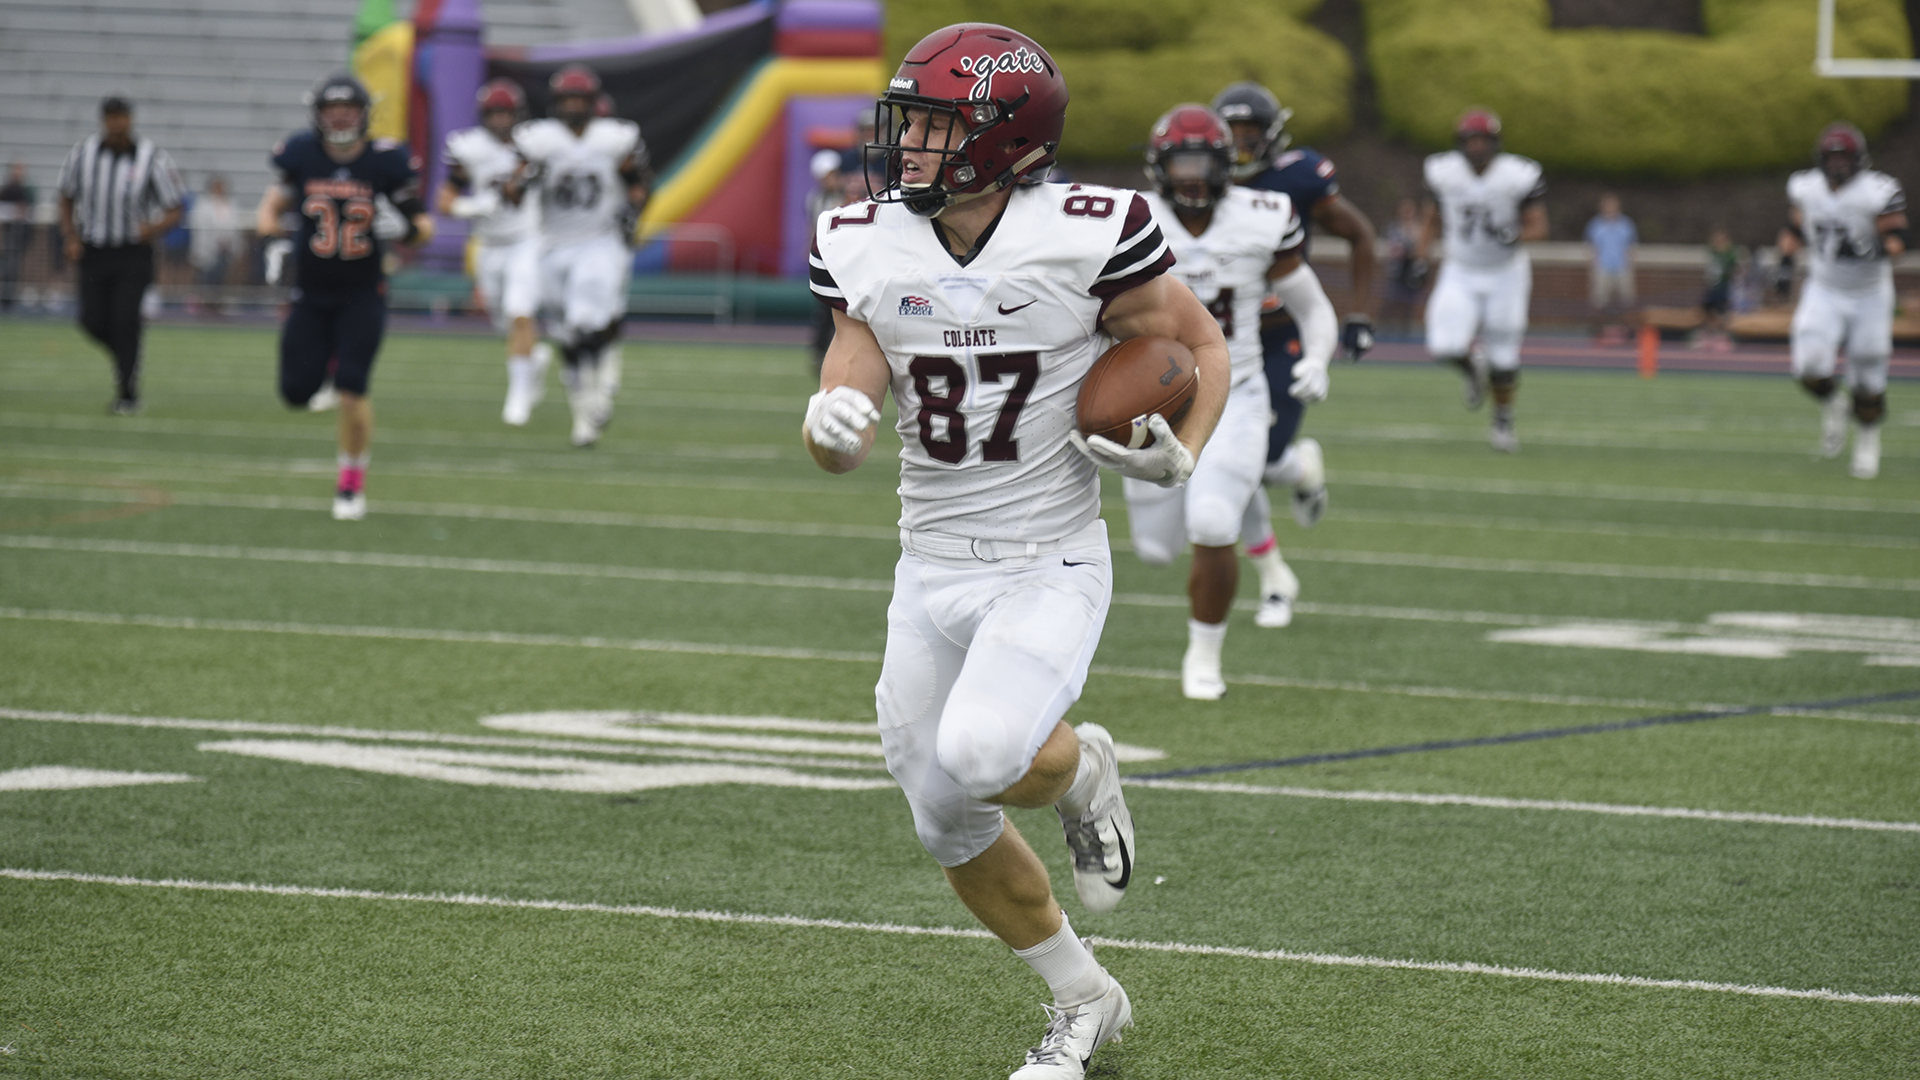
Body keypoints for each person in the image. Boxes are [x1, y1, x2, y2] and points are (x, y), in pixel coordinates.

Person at [804, 24, 1229, 1079]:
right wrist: (834, 419)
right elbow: (856, 358)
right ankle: (1083, 999)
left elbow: (1199, 344)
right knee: (944, 816)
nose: (905, 146)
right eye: (905, 123)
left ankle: (1081, 766)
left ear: (1005, 141)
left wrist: (1188, 450)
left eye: (934, 127)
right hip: (929, 563)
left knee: (988, 754)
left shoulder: (1091, 232)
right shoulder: (864, 239)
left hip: (1047, 556)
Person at [1124, 104, 1336, 699]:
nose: (1192, 179)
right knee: (1156, 549)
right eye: (1180, 165)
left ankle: (1204, 656)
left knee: (1213, 518)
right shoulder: (1128, 219)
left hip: (1234, 390)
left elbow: (1313, 306)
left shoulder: (1263, 216)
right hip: (1150, 398)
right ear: (1159, 168)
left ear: (1226, 166)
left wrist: (1316, 357)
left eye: (1202, 164)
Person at [1211, 80, 1376, 627]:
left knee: (1254, 463)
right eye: (1229, 133)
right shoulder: (1195, 183)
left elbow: (1360, 234)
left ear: (1271, 136)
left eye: (1248, 133)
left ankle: (1300, 467)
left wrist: (1357, 314)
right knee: (1228, 466)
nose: (1238, 144)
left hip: (1281, 337)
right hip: (1219, 339)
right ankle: (1275, 575)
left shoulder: (1297, 178)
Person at [256, 73, 433, 521]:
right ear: (317, 114)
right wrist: (274, 236)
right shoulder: (301, 154)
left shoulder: (386, 162)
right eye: (331, 109)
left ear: (364, 114)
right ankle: (330, 365)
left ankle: (351, 482)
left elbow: (425, 227)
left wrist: (407, 229)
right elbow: (270, 208)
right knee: (295, 392)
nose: (339, 117)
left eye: (348, 109)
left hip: (362, 293)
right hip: (311, 295)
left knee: (354, 390)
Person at [511, 63, 649, 448]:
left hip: (598, 241)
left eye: (579, 99)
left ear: (592, 102)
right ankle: (584, 411)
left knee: (588, 319)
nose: (573, 106)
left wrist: (631, 212)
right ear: (557, 103)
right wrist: (525, 178)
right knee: (566, 334)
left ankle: (597, 396)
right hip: (551, 244)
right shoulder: (538, 138)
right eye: (567, 99)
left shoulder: (614, 137)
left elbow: (638, 184)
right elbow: (513, 193)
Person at [1779, 122, 1907, 480]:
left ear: (1858, 159)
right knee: (1808, 367)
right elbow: (1794, 229)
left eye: (1843, 157)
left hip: (1869, 293)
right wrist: (1784, 264)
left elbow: (1899, 240)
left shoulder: (1877, 190)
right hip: (1824, 288)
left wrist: (1876, 248)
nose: (1837, 165)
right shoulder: (1806, 188)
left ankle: (1868, 438)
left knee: (1868, 376)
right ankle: (1836, 404)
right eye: (1831, 157)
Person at [1417, 107, 1548, 452]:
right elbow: (1431, 218)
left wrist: (1514, 235)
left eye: (1483, 140)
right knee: (1443, 345)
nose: (1476, 147)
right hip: (1459, 268)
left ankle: (1503, 420)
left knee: (1504, 355)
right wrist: (1419, 256)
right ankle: (1473, 368)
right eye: (1471, 140)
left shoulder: (1518, 174)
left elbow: (1539, 226)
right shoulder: (1443, 171)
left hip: (1506, 271)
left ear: (1495, 143)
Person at [56, 97, 185, 414]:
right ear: (103, 120)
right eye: (110, 117)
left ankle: (127, 393)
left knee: (125, 320)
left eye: (121, 117)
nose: (116, 124)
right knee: (92, 320)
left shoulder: (151, 157)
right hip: (94, 250)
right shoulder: (83, 154)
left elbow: (175, 207)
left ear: (130, 119)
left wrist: (152, 228)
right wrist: (70, 236)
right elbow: (65, 197)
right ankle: (126, 359)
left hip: (132, 253)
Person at [440, 78, 551, 426]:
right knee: (504, 322)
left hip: (526, 241)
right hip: (489, 246)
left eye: (507, 113)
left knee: (521, 313)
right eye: (495, 113)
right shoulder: (469, 147)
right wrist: (473, 208)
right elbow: (444, 202)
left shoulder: (533, 144)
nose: (501, 120)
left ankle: (518, 399)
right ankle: (533, 361)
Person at [1584, 193, 1637, 341]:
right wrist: (1592, 266)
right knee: (1599, 300)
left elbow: (1630, 247)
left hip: (1621, 267)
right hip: (1603, 267)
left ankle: (1627, 329)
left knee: (1627, 299)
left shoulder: (1626, 224)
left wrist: (1630, 265)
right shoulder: (1595, 225)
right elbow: (1591, 248)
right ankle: (1598, 328)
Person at [187, 174, 241, 310]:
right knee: (207, 277)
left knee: (221, 277)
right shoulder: (203, 205)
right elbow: (199, 226)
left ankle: (217, 303)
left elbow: (234, 226)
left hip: (225, 249)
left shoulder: (230, 204)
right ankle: (204, 303)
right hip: (208, 248)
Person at [1382, 197, 1427, 336]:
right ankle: (1386, 328)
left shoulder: (1418, 228)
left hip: (1412, 270)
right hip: (1398, 269)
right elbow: (1394, 248)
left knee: (1410, 301)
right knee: (1392, 298)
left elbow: (1421, 247)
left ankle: (1404, 330)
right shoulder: (1394, 228)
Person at [1697, 227, 1743, 351]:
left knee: (1722, 313)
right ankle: (1710, 335)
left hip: (1723, 288)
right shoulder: (1713, 252)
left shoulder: (1729, 254)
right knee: (1707, 312)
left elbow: (1735, 269)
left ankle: (1722, 337)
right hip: (1712, 287)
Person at [0, 161, 35, 311]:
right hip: (8, 237)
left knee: (14, 268)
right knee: (6, 267)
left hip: (19, 238)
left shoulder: (28, 190)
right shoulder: (6, 190)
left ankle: (9, 300)